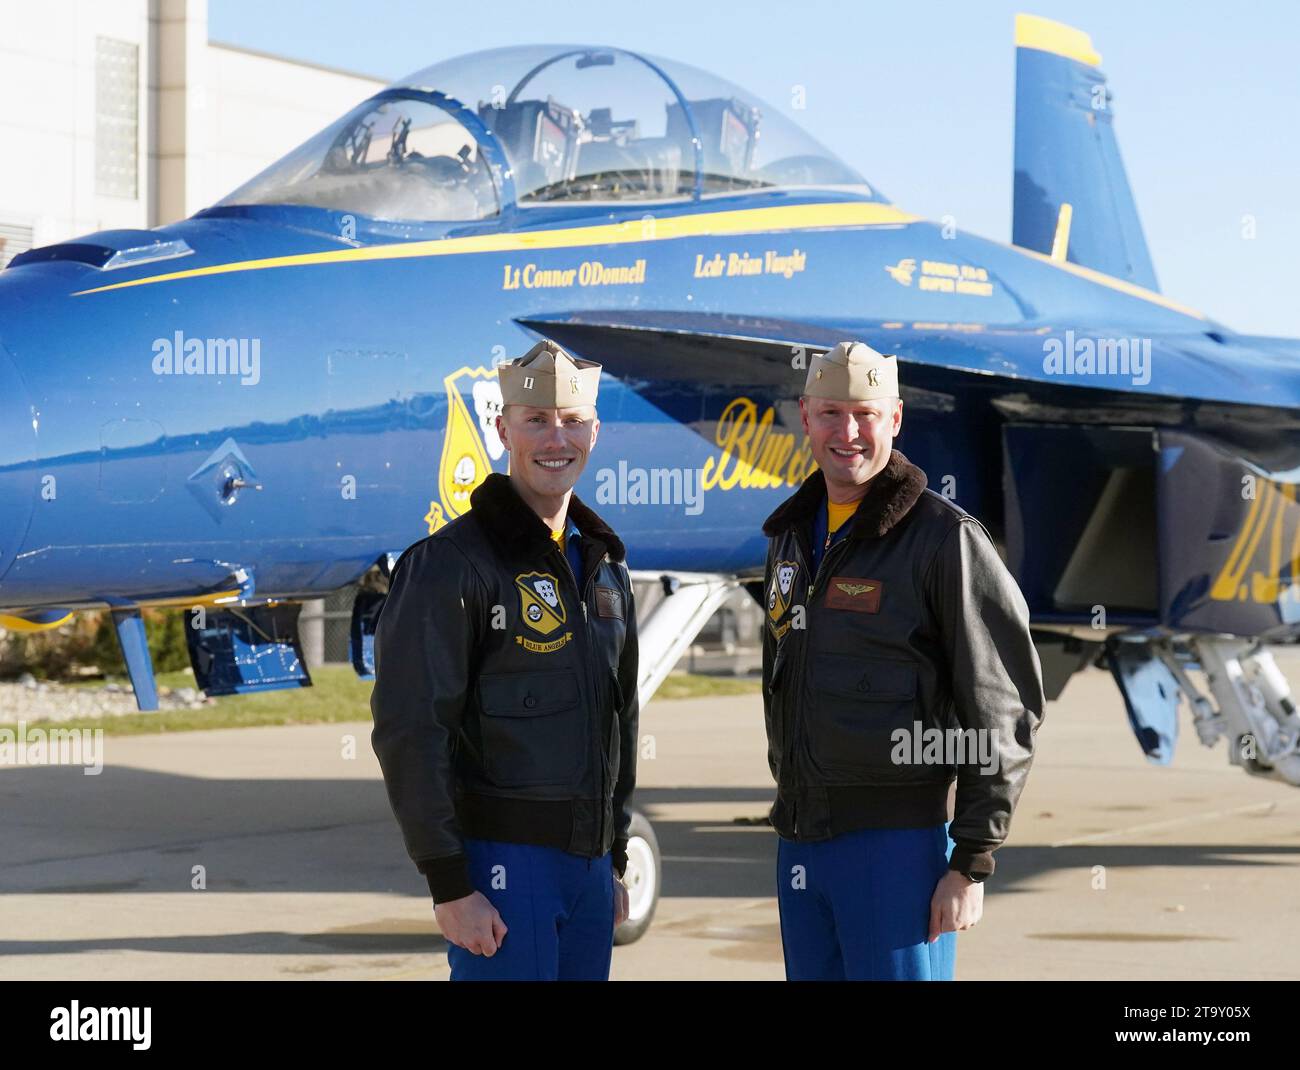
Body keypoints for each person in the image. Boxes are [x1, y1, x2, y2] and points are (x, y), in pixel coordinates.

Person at [760, 340, 1045, 980]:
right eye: (831, 412)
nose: (848, 432)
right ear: (804, 416)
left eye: (866, 414)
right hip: (801, 843)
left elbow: (1004, 709)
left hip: (896, 850)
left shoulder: (945, 540)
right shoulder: (789, 539)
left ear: (896, 418)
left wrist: (971, 861)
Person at [370, 338, 639, 981]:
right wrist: (449, 885)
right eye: (536, 420)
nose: (557, 438)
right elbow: (412, 731)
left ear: (594, 433)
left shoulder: (604, 567)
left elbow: (619, 722)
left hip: (589, 870)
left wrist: (614, 858)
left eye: (573, 422)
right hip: (503, 872)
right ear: (502, 429)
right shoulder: (449, 566)